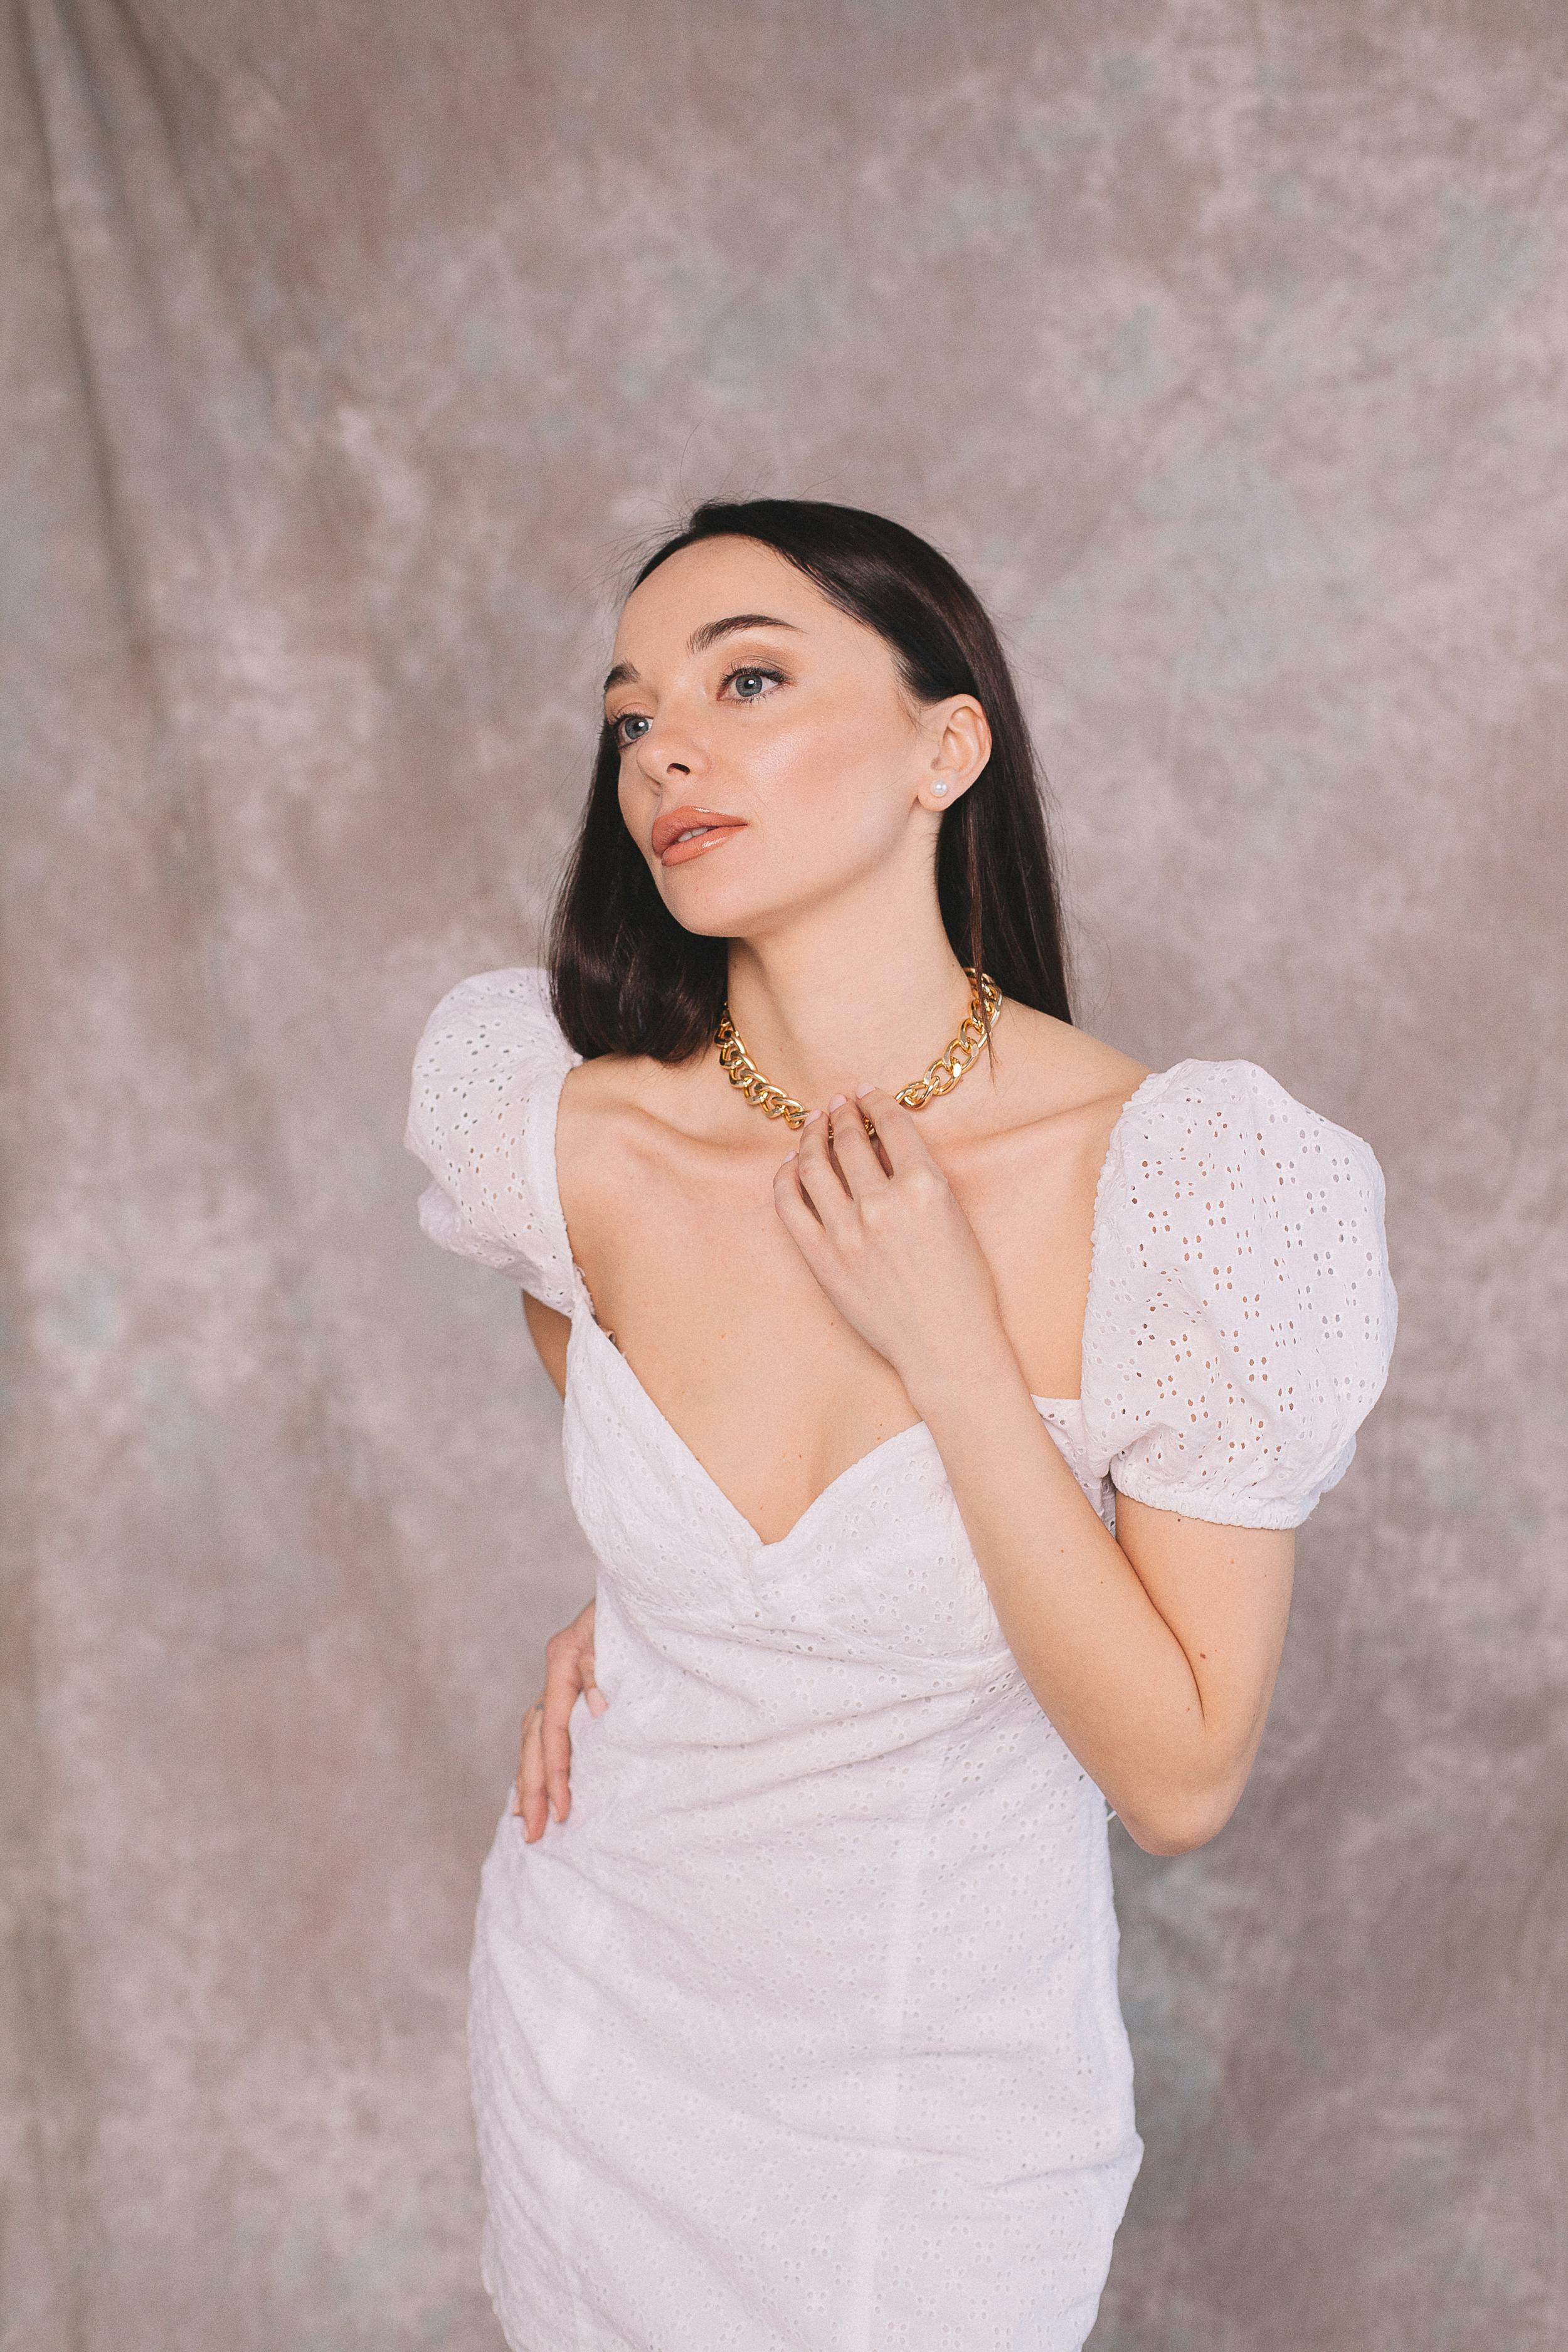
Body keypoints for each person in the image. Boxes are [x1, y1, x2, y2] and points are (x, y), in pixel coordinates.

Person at [404, 497, 1397, 2351]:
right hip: (596, 2029)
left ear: (947, 746)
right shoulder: (572, 1134)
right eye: (630, 717)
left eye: (747, 679)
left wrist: (949, 1347)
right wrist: (659, 1600)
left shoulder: (1179, 1187)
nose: (667, 750)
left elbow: (1178, 1775)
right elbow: (670, 1469)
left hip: (930, 2120)